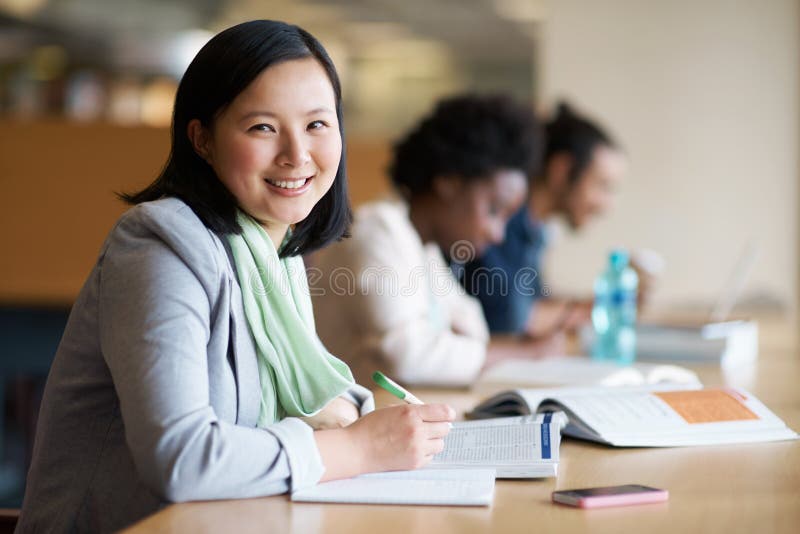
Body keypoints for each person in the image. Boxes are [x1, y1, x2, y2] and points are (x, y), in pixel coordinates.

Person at [17, 20, 454, 533]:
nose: (297, 154)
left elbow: (309, 396)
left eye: (317, 124)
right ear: (202, 139)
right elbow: (180, 459)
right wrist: (355, 448)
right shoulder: (158, 246)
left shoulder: (279, 253)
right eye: (263, 127)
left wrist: (353, 420)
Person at [311, 94, 558, 387]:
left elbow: (473, 325)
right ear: (449, 182)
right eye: (494, 210)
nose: (498, 233)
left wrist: (456, 347)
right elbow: (409, 356)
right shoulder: (377, 230)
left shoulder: (423, 247)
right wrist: (526, 353)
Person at [461, 102, 629, 338]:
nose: (606, 205)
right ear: (561, 170)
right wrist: (602, 307)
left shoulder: (537, 230)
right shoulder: (500, 222)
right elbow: (509, 317)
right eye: (602, 186)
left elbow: (535, 302)